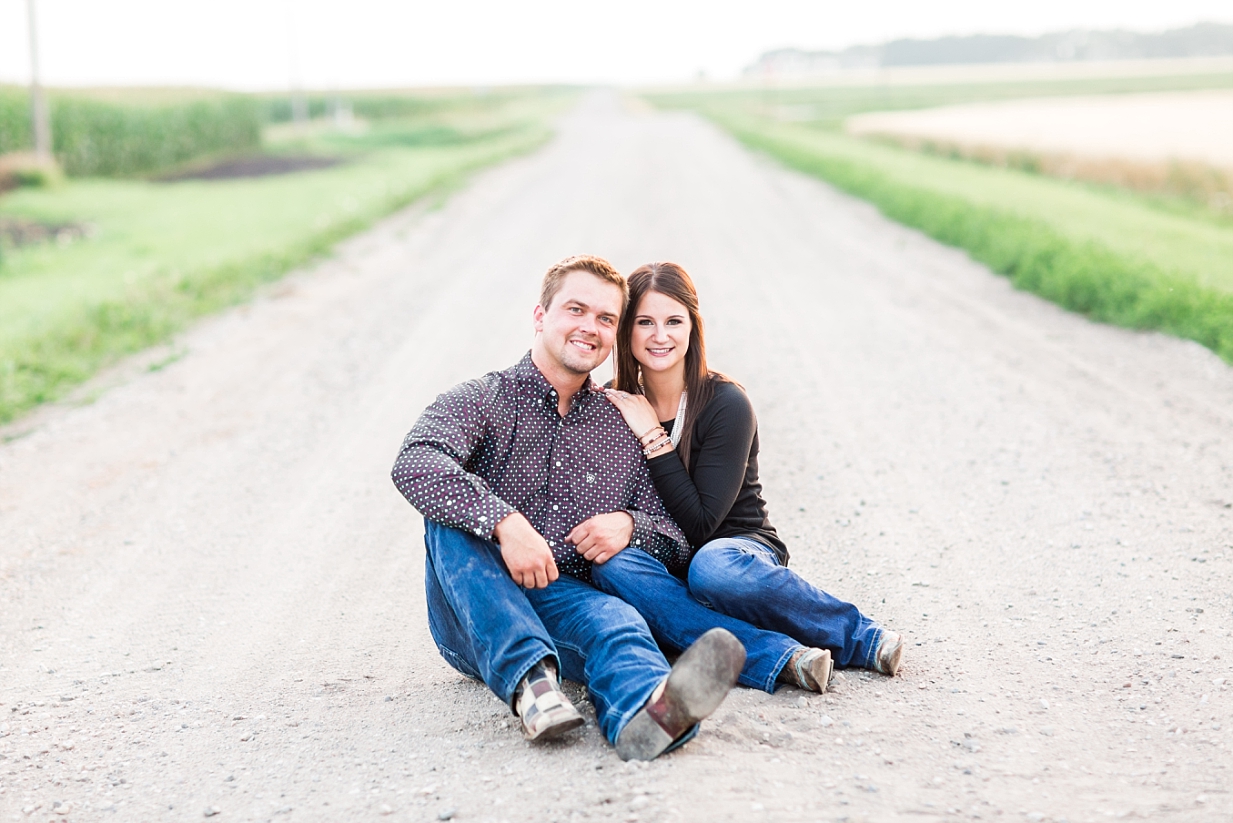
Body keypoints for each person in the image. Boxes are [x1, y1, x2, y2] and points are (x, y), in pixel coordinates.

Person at [390, 255, 821, 761]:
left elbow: (677, 536)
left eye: (605, 319)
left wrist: (631, 525)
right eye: (576, 309)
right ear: (540, 316)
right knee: (448, 512)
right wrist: (505, 523)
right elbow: (415, 460)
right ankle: (532, 683)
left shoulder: (618, 423)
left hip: (561, 595)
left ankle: (648, 717)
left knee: (617, 621)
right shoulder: (484, 399)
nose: (590, 327)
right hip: (474, 605)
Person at [603, 261, 904, 677]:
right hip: (663, 554)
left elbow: (702, 524)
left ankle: (860, 636)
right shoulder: (612, 404)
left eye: (674, 321)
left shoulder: (725, 403)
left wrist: (653, 436)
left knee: (711, 570)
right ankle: (781, 656)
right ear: (626, 331)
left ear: (693, 326)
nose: (660, 336)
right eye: (644, 322)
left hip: (735, 549)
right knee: (612, 566)